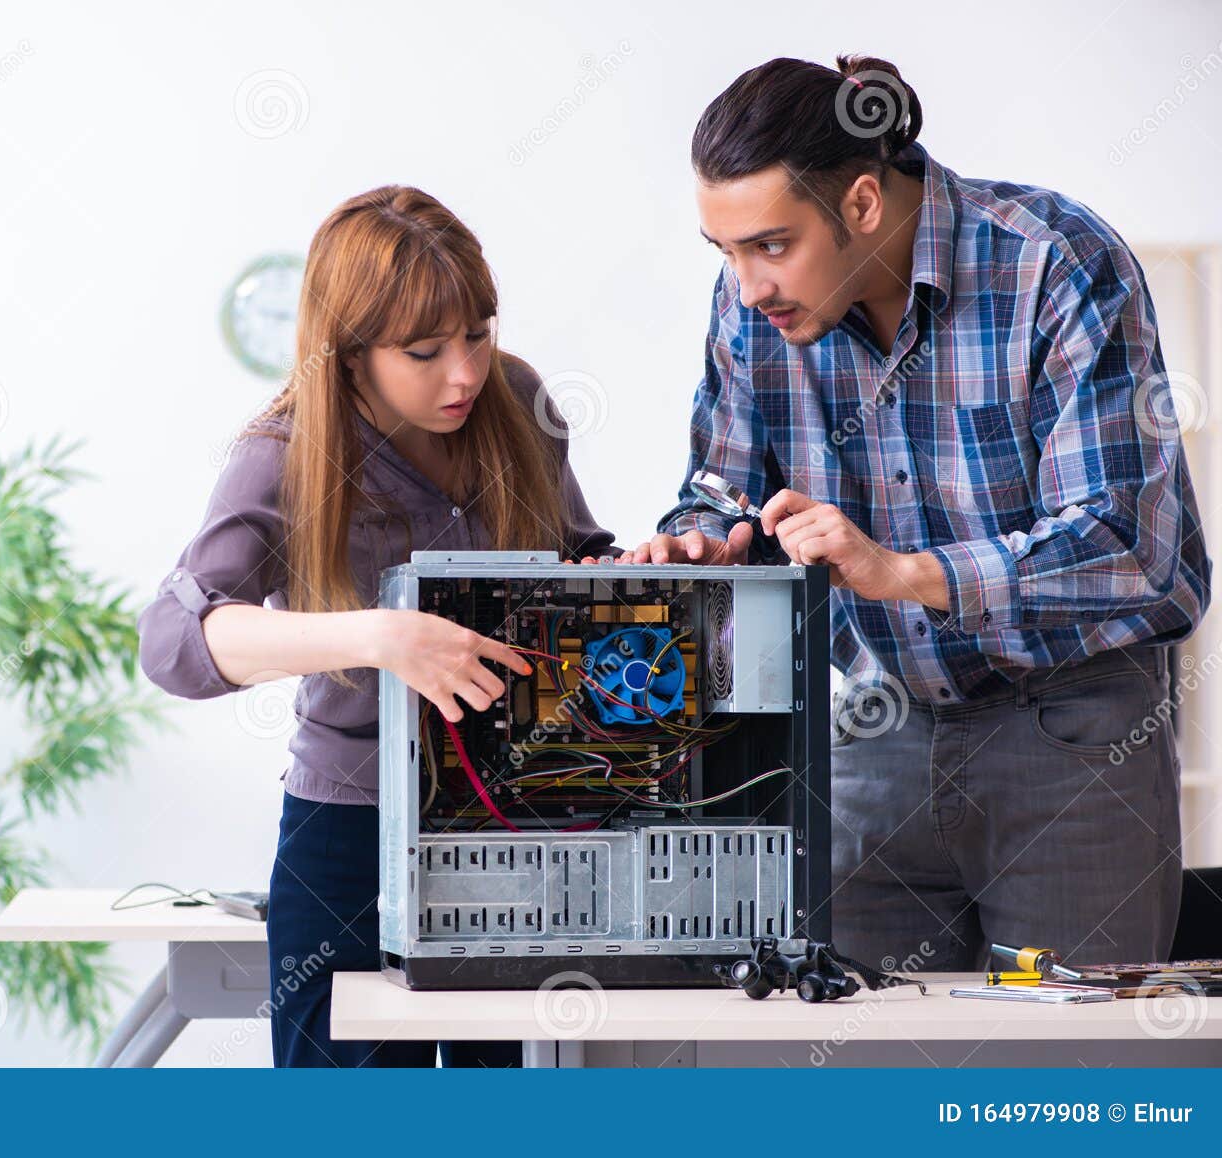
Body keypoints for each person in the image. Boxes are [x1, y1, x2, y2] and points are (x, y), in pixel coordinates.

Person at [621, 55, 1210, 970]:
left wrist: (901, 574)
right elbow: (720, 484)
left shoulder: (1054, 262)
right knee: (859, 1081)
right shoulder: (754, 310)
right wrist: (701, 538)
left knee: (1071, 1082)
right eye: (725, 252)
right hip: (872, 732)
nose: (746, 286)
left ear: (861, 203)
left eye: (771, 245)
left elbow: (1135, 548)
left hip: (1074, 740)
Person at [137, 185, 615, 1065]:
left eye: (479, 332)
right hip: (349, 835)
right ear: (350, 355)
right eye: (424, 351)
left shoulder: (518, 402)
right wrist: (378, 635)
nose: (465, 373)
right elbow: (173, 644)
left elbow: (580, 558)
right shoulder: (280, 457)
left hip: (515, 823)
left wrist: (639, 573)